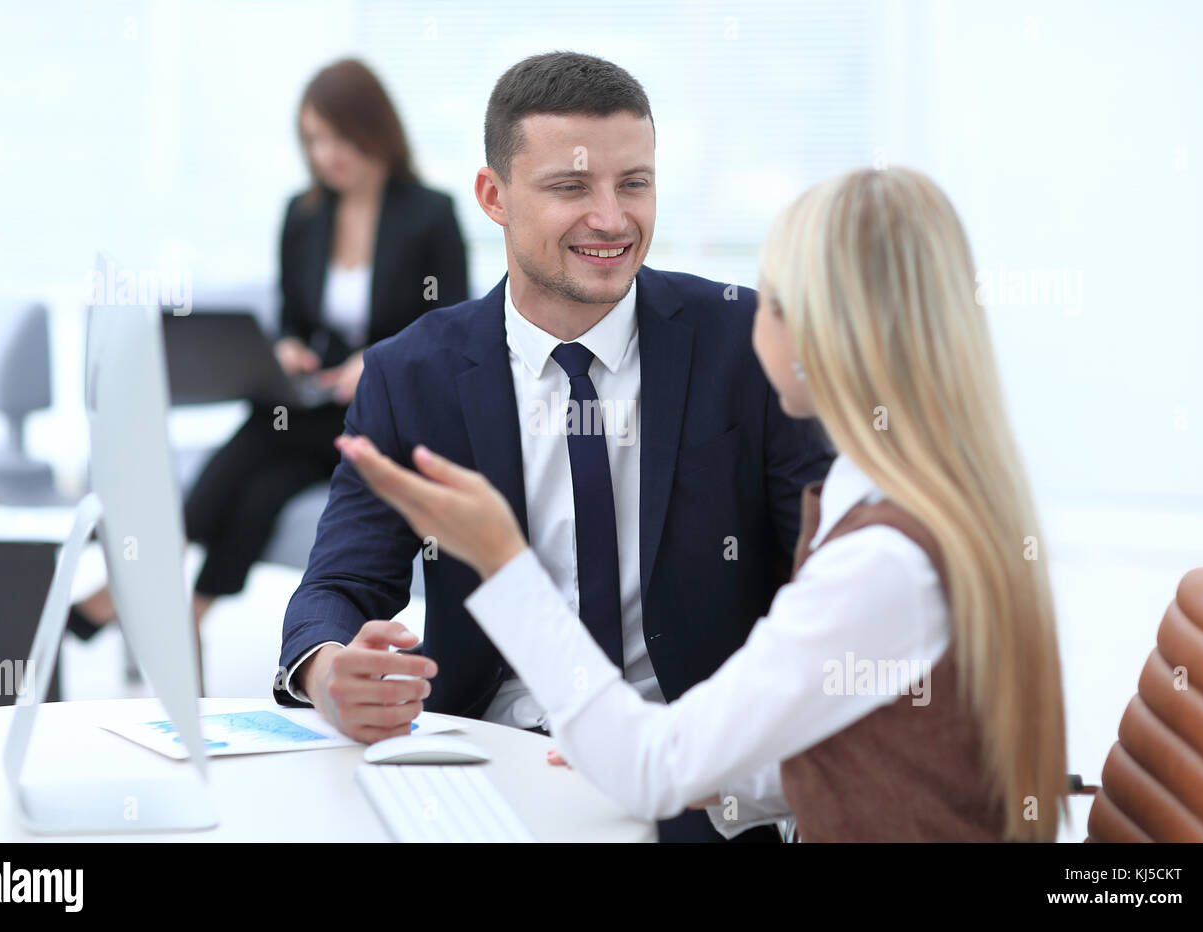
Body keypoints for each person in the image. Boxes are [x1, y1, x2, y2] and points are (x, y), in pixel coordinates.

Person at [340, 166, 1070, 842]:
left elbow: (653, 771)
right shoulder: (915, 505)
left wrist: (501, 560)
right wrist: (670, 757)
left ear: (817, 337)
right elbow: (830, 742)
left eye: (771, 299)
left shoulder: (883, 562)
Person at [275, 52, 834, 843]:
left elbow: (828, 573)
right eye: (572, 187)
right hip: (488, 756)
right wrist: (328, 668)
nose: (612, 218)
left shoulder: (746, 341)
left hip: (693, 774)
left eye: (633, 183)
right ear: (493, 197)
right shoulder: (412, 374)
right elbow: (341, 579)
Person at [67, 59, 469, 670]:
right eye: (313, 139)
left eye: (339, 136)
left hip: (386, 408)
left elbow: (451, 324)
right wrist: (287, 350)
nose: (326, 154)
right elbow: (292, 319)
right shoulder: (305, 215)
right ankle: (189, 615)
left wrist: (378, 360)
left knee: (258, 446)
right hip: (313, 407)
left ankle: (142, 580)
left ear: (376, 130)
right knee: (261, 486)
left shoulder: (428, 214)